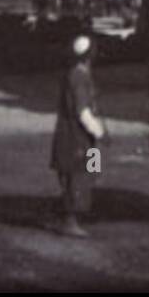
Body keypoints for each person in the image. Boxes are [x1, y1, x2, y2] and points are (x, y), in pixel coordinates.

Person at [50, 34, 105, 237]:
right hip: (76, 134)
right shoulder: (79, 76)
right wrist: (98, 130)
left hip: (80, 133)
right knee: (77, 174)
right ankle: (70, 219)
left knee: (91, 170)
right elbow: (82, 110)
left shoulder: (77, 73)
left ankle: (79, 212)